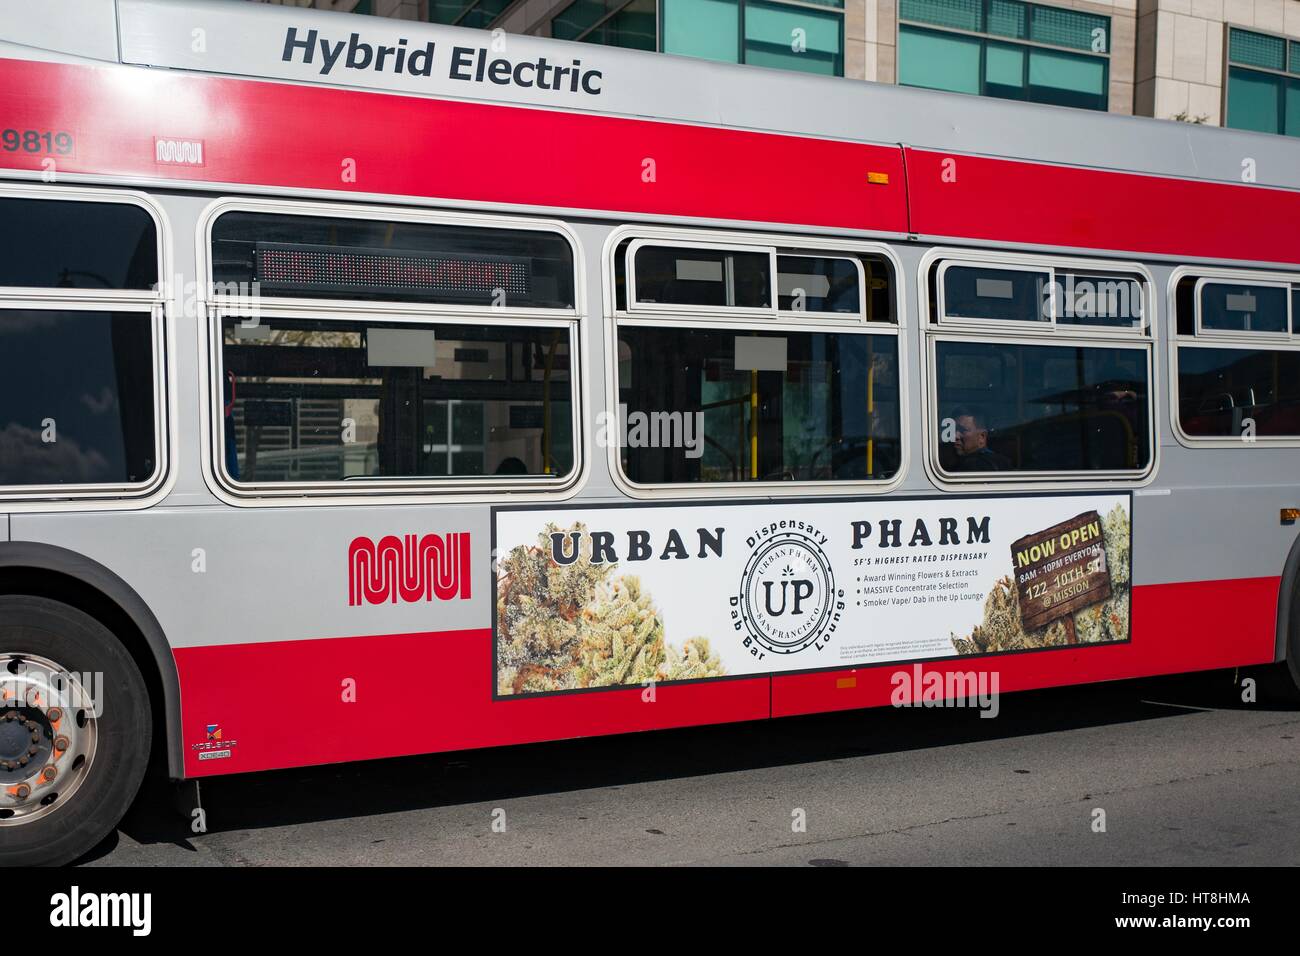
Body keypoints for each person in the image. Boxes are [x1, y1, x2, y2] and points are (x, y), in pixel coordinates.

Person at [948, 407, 1013, 472]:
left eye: (963, 430)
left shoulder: (971, 465)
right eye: (954, 430)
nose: (956, 436)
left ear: (982, 436)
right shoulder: (1003, 462)